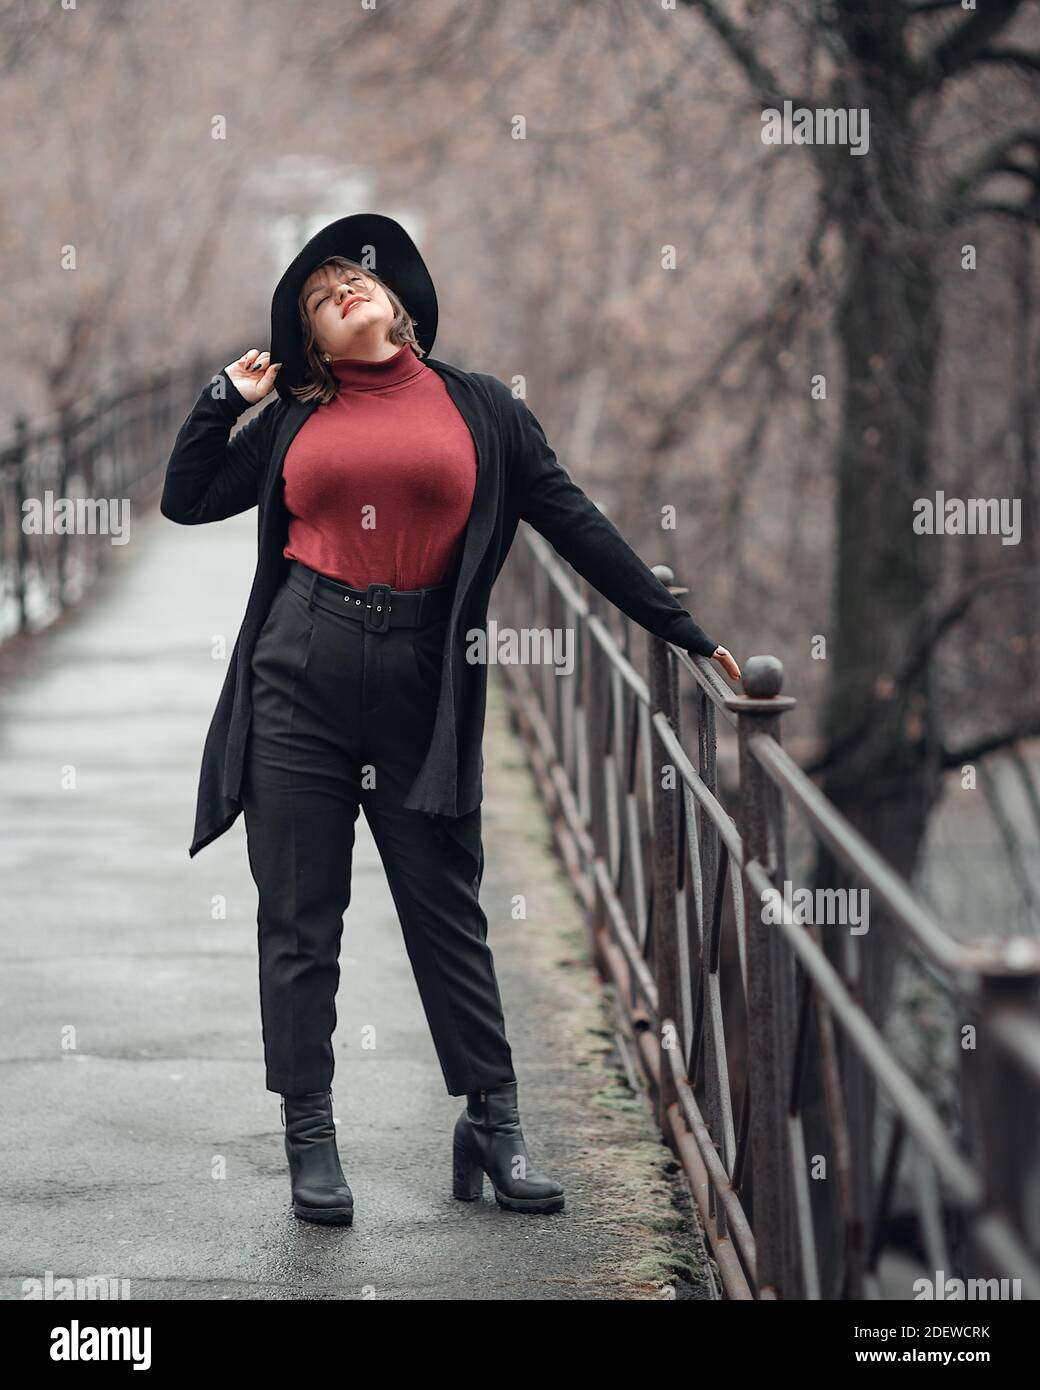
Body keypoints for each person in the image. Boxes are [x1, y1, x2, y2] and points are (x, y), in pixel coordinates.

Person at [160, 214, 740, 1227]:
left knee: (447, 908)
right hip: (297, 672)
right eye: (316, 296)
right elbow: (186, 497)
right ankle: (311, 1136)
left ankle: (493, 1122)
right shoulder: (297, 414)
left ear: (398, 303)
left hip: (425, 690)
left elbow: (578, 528)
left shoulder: (483, 413)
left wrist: (684, 632)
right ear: (311, 342)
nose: (340, 291)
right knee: (300, 913)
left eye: (354, 278)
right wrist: (224, 399)